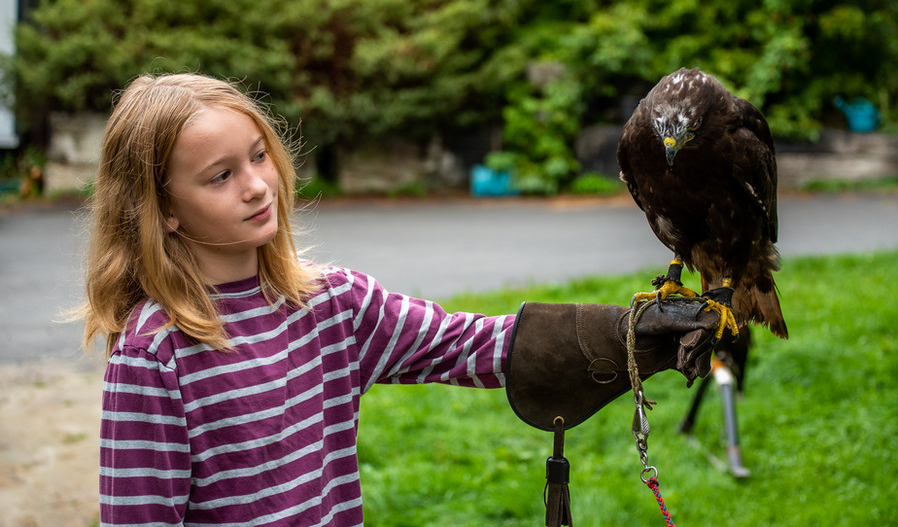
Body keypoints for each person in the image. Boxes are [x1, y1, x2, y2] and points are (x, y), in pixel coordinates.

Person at [81, 73, 719, 526]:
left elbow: (462, 344)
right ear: (161, 209)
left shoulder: (332, 304)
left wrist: (624, 336)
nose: (256, 186)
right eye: (221, 176)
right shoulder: (155, 355)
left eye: (258, 157)